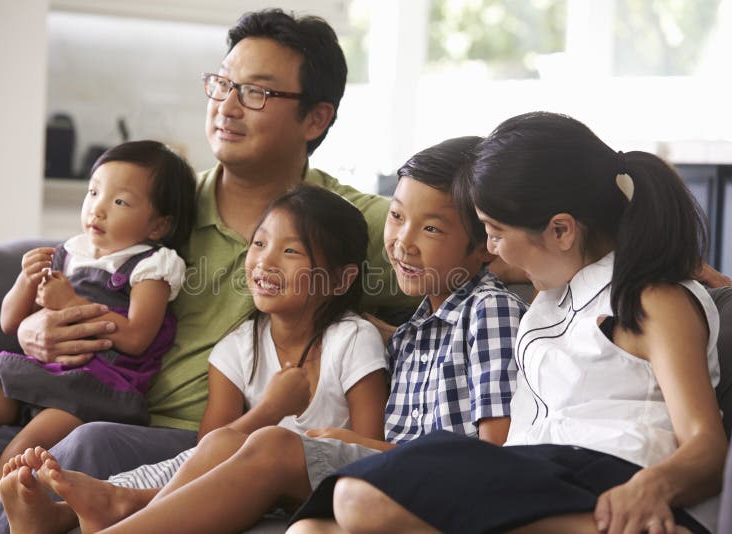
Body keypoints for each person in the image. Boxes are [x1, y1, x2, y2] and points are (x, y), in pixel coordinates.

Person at [0, 9, 415, 533]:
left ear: (316, 118)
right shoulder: (162, 208)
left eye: (256, 92)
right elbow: (70, 279)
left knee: (87, 445)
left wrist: (379, 328)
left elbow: (461, 273)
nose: (227, 107)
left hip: (199, 435)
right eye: (222, 84)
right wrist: (33, 327)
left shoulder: (358, 224)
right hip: (92, 398)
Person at [0, 136, 527, 533]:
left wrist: (344, 438)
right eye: (395, 218)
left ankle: (115, 516)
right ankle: (111, 505)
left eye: (431, 229)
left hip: (436, 483)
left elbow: (492, 452)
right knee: (231, 439)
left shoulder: (487, 313)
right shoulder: (415, 329)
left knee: (271, 440)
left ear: (487, 244)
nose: (403, 243)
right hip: (391, 468)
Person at [289, 112, 727, 534]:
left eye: (494, 231)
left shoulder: (652, 299)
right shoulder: (554, 286)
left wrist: (651, 487)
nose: (491, 251)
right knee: (312, 526)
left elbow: (705, 447)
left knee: (358, 498)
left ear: (560, 231)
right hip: (534, 478)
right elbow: (451, 281)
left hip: (611, 476)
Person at [0, 183, 390, 533]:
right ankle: (65, 514)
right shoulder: (238, 347)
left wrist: (273, 412)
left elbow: (371, 447)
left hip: (312, 480)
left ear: (340, 279)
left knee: (224, 450)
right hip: (238, 468)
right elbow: (207, 449)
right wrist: (268, 409)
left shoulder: (352, 339)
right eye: (259, 243)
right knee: (193, 457)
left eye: (291, 251)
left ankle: (114, 507)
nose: (266, 261)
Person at [0, 140, 196, 532]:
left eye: (120, 202)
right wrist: (25, 281)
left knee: (18, 456)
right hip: (36, 372)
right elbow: (8, 322)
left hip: (90, 390)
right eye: (93, 192)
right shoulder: (69, 251)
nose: (98, 207)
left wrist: (70, 300)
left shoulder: (152, 266)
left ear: (158, 225)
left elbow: (138, 336)